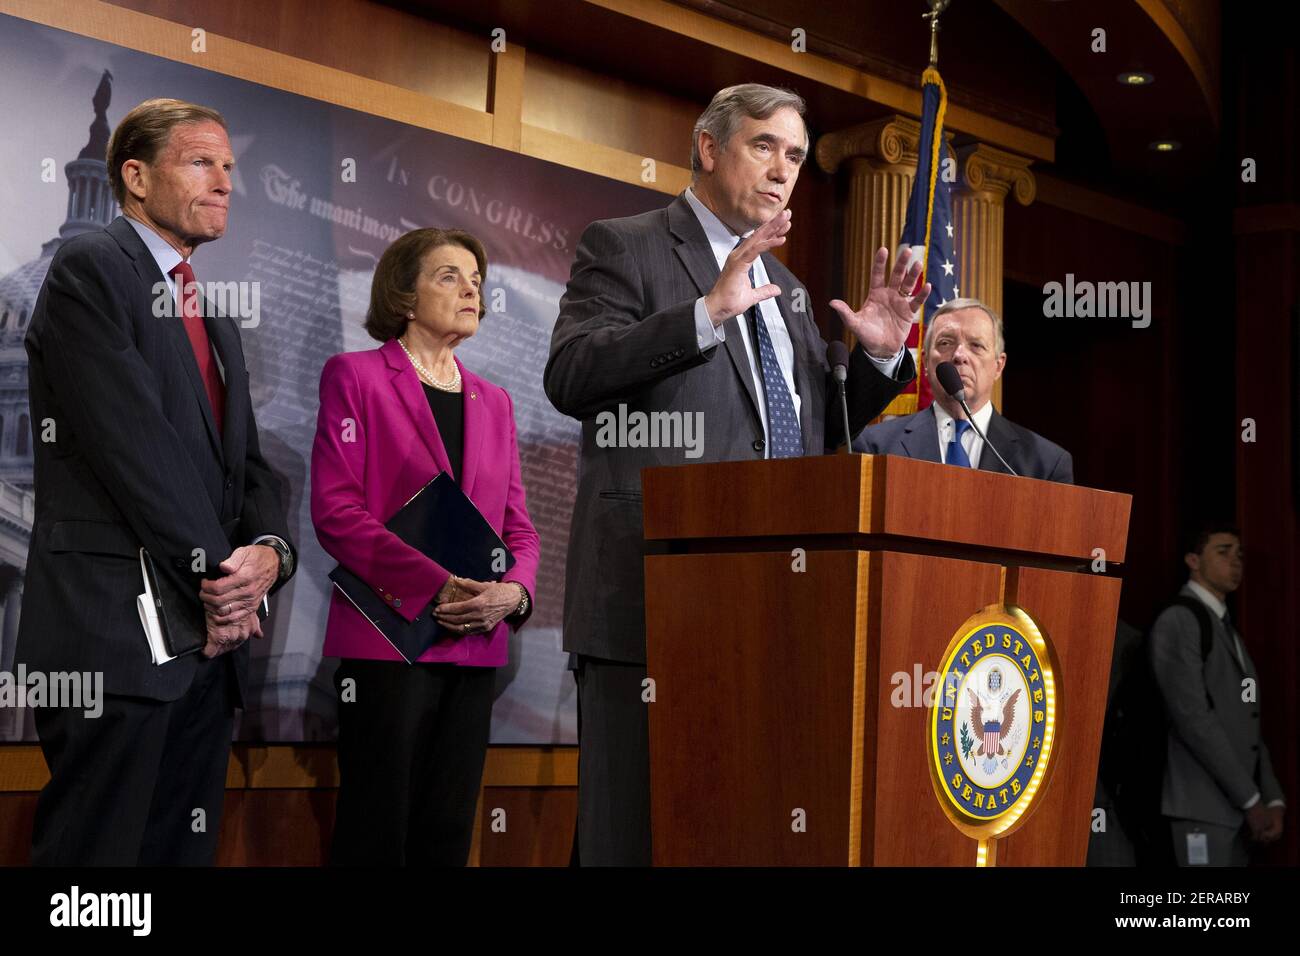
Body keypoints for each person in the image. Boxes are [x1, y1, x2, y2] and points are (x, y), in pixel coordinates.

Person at [545, 83, 922, 865]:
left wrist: (880, 359)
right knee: (632, 837)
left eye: (795, 156)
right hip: (650, 603)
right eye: (764, 146)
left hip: (768, 611)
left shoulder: (787, 292)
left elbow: (816, 435)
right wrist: (702, 316)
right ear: (709, 148)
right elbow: (572, 374)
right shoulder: (626, 244)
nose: (783, 170)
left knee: (731, 831)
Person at [18, 98, 296, 865]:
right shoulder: (90, 269)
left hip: (208, 648)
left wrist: (271, 552)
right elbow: (134, 447)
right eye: (202, 162)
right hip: (113, 637)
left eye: (230, 168)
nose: (226, 182)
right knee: (98, 866)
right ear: (134, 177)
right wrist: (222, 580)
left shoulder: (218, 318)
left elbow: (248, 470)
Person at [311, 227, 540, 865]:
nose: (470, 289)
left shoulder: (495, 402)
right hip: (388, 637)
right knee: (376, 832)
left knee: (445, 834)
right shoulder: (354, 377)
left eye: (476, 280)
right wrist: (435, 584)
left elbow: (519, 529)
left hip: (476, 642)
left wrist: (513, 591)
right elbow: (336, 512)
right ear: (404, 296)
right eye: (449, 277)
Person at [1149, 522, 1286, 865]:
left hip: (1235, 808)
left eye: (1239, 554)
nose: (1236, 562)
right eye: (1223, 552)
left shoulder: (1226, 629)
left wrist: (1272, 799)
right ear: (1193, 560)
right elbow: (1192, 718)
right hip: (1201, 805)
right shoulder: (1180, 620)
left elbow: (1249, 723)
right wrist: (1252, 799)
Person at [853, 297, 1073, 482]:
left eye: (976, 345)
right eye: (945, 343)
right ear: (926, 364)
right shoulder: (875, 447)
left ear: (999, 366)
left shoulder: (1046, 463)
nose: (959, 355)